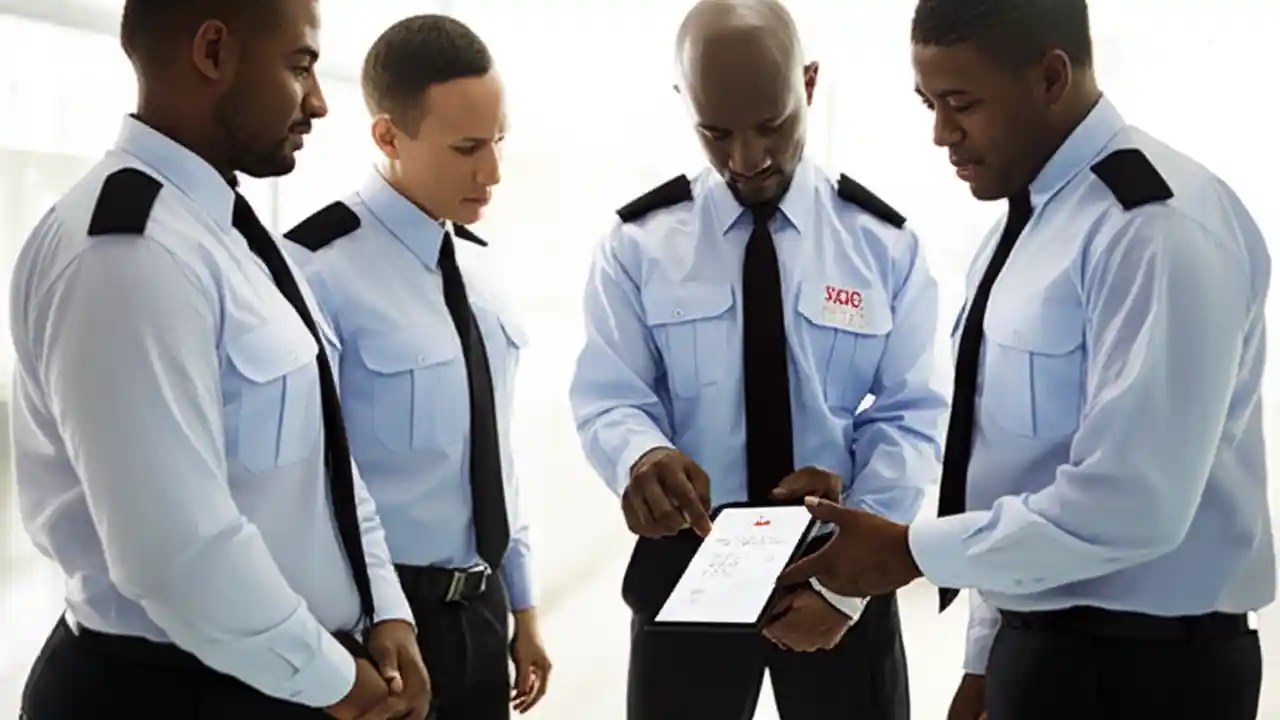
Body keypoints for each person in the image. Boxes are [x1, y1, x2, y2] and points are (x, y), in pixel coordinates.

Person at [778, 1, 1274, 718]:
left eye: (961, 103)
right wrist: (987, 656)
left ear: (1050, 77)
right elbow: (1011, 471)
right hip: (1043, 653)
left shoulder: (1155, 228)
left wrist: (910, 552)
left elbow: (1134, 503)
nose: (942, 134)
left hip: (1150, 675)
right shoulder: (1026, 229)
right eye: (929, 103)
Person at [12, 1, 431, 719]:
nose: (319, 102)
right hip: (171, 692)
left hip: (280, 674)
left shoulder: (227, 233)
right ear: (212, 52)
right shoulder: (128, 253)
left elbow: (319, 461)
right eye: (300, 66)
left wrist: (385, 609)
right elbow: (175, 551)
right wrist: (335, 681)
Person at [568, 0, 949, 717]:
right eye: (717, 132)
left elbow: (912, 416)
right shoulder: (638, 246)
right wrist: (640, 456)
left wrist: (845, 584)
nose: (748, 159)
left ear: (808, 84)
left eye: (771, 126)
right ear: (685, 105)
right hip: (689, 562)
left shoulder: (883, 245)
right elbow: (611, 396)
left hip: (839, 555)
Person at [283, 15, 551, 720]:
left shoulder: (483, 269)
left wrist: (523, 605)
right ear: (387, 137)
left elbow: (496, 453)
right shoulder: (313, 270)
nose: (492, 171)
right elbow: (309, 481)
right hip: (382, 626)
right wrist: (363, 631)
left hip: (483, 608)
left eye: (498, 141)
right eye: (467, 148)